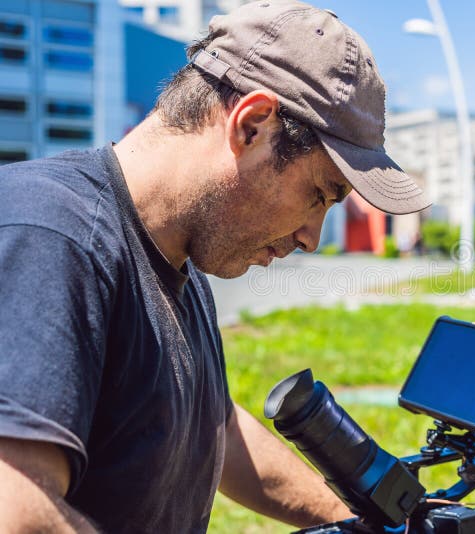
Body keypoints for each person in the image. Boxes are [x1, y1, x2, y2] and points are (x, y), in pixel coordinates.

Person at [0, 1, 430, 531]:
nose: (312, 239)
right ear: (251, 126)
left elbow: (214, 426)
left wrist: (370, 523)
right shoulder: (51, 236)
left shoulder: (179, 258)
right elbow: (15, 510)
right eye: (319, 194)